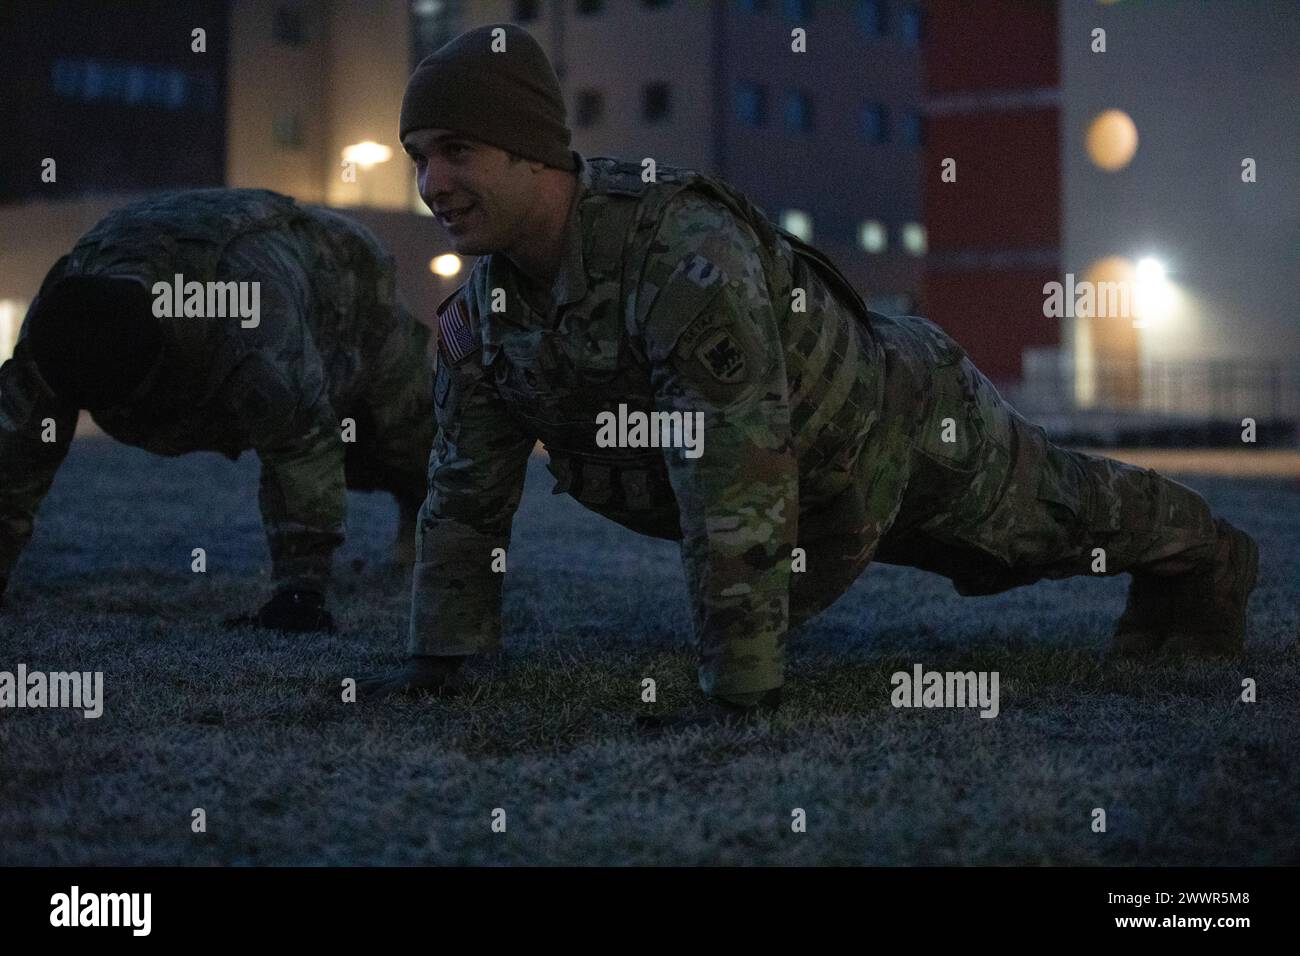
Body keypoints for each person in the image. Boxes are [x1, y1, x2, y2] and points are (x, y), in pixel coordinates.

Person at [358, 24, 1258, 715]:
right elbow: (465, 498)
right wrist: (443, 664)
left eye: (456, 151)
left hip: (900, 418)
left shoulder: (680, 254)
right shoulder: (486, 317)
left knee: (1051, 524)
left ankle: (1209, 560)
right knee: (1014, 539)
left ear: (532, 150)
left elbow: (733, 479)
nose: (431, 183)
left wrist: (740, 697)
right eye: (417, 159)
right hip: (811, 496)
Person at [0, 188, 435, 631]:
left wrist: (300, 591)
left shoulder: (250, 321)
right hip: (195, 253)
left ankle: (423, 525)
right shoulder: (63, 320)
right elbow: (13, 456)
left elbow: (301, 447)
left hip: (342, 274)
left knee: (399, 429)